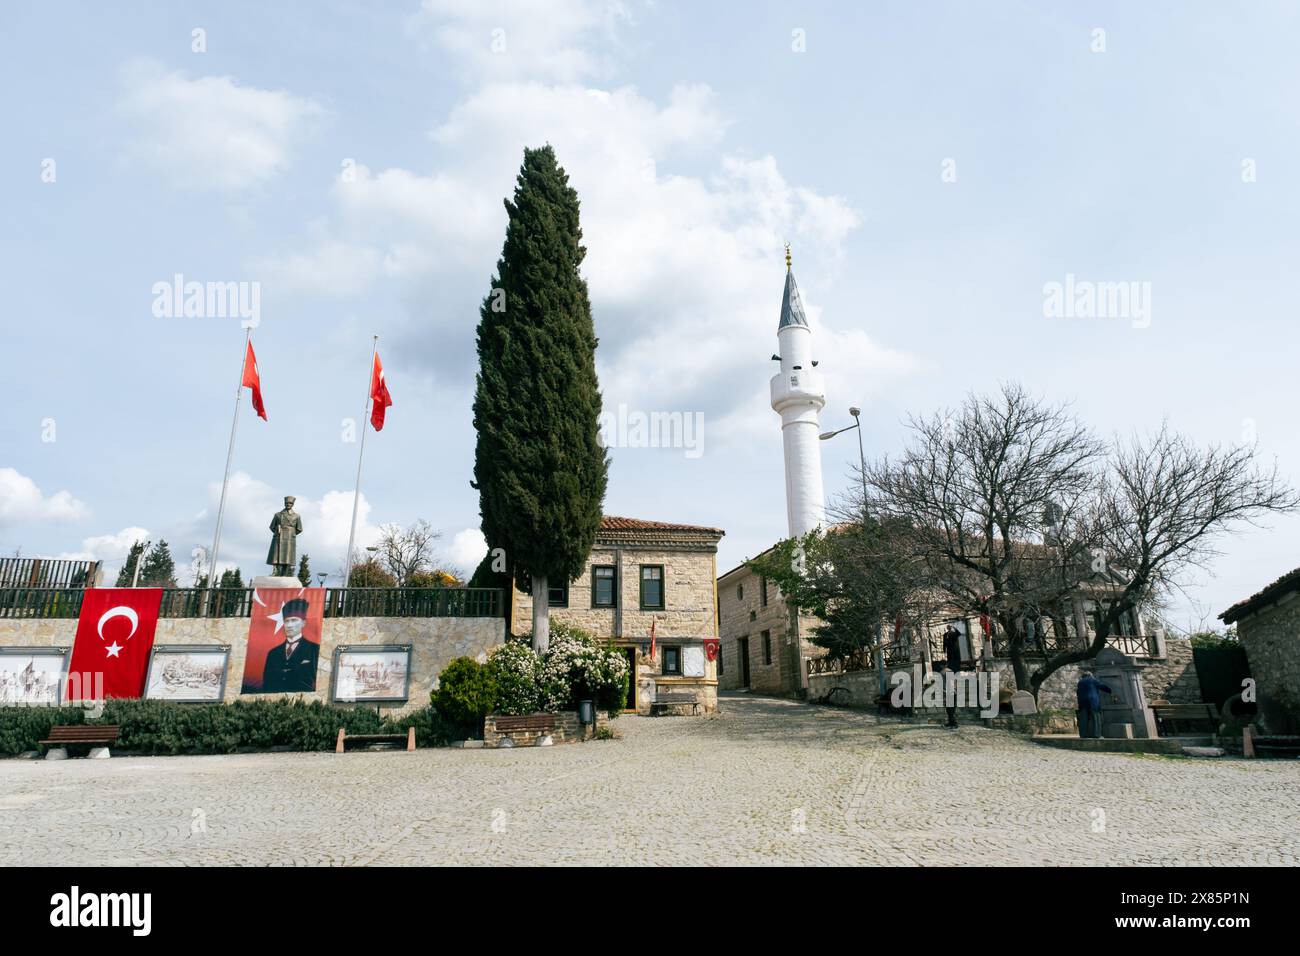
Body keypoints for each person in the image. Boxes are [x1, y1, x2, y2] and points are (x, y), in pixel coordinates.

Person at [261, 598, 319, 693]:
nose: (289, 625)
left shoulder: (314, 649)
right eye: (286, 621)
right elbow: (266, 683)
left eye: (294, 620)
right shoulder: (273, 653)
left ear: (303, 623)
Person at [1076, 670, 1112, 739]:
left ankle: (1083, 735)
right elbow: (1101, 686)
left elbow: (1078, 692)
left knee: (1084, 719)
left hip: (1082, 702)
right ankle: (1097, 734)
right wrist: (1110, 690)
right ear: (1090, 675)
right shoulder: (1093, 680)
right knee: (1096, 718)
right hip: (1093, 702)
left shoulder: (1080, 682)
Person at [941, 625, 963, 727]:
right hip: (950, 652)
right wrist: (944, 650)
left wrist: (954, 627)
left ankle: (953, 722)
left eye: (950, 628)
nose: (949, 629)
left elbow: (959, 634)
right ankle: (951, 722)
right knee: (949, 708)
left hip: (955, 651)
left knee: (951, 707)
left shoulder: (954, 633)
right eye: (948, 628)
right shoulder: (945, 635)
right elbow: (944, 643)